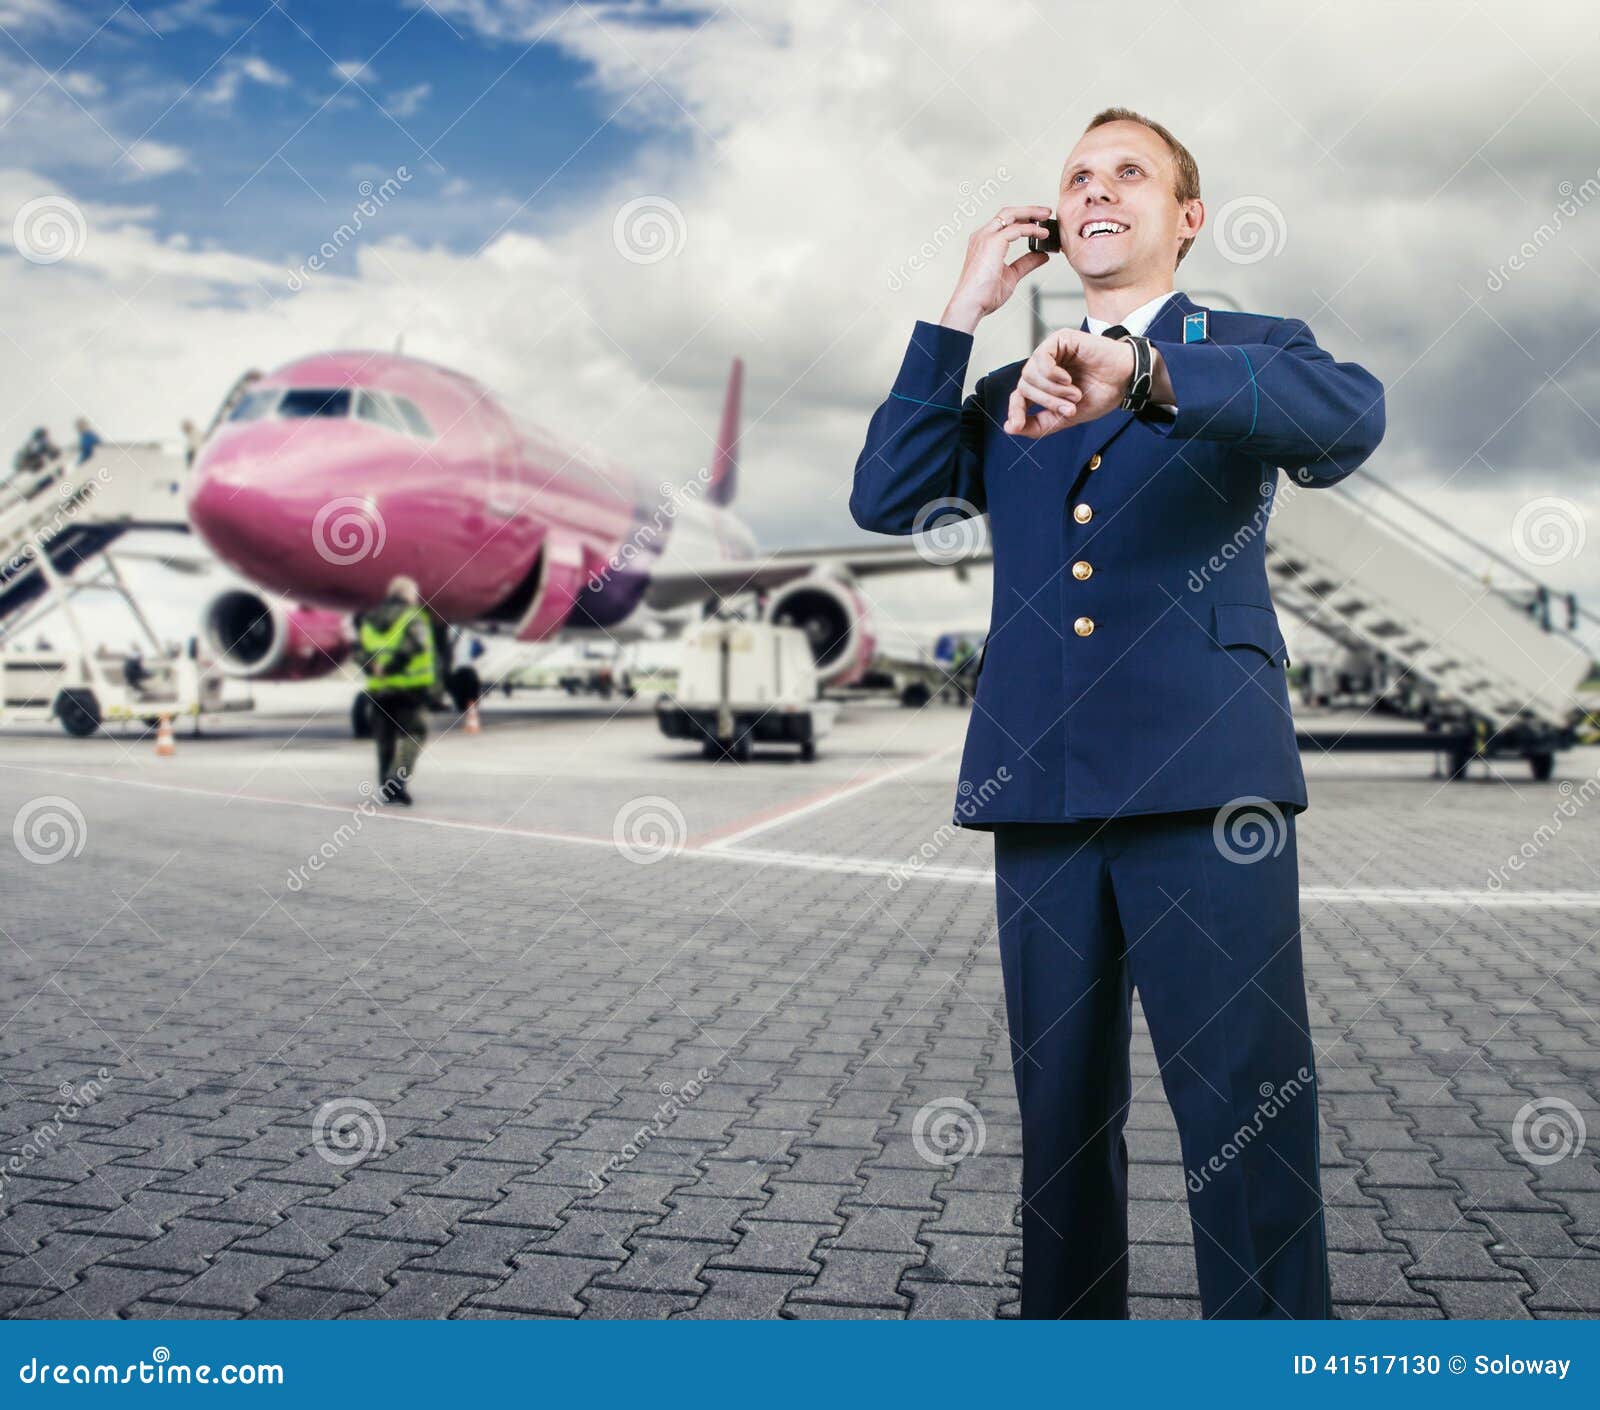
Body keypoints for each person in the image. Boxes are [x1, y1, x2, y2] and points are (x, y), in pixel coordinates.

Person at [851, 108, 1386, 1321]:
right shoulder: (1005, 388)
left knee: (1241, 1118)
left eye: (1130, 173)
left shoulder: (1247, 348)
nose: (1099, 189)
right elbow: (884, 495)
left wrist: (1144, 375)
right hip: (1042, 791)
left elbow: (1348, 421)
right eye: (1077, 176)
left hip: (1207, 789)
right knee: (1060, 1131)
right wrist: (960, 307)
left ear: (1186, 217)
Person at [356, 575, 437, 805]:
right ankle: (396, 781)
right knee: (415, 734)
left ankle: (386, 786)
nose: (416, 597)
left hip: (379, 690)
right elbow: (415, 645)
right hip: (408, 688)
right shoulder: (413, 617)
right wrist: (391, 668)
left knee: (385, 739)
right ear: (406, 594)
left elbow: (359, 651)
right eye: (414, 593)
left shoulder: (370, 619)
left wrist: (373, 668)